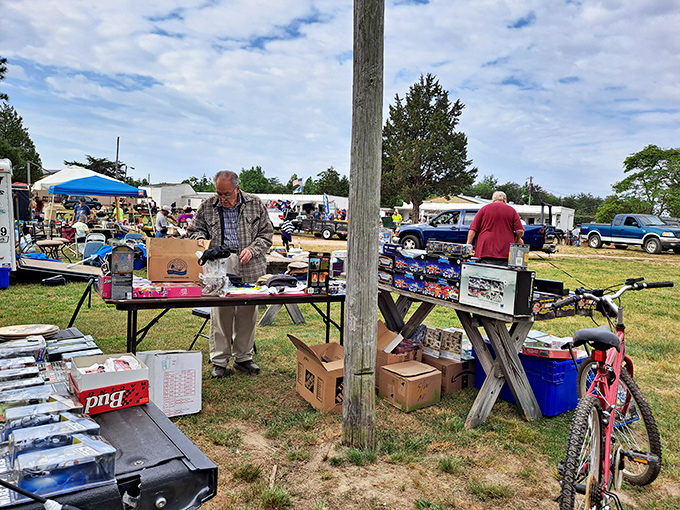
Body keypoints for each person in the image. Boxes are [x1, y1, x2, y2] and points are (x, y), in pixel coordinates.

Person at [188, 170, 273, 377]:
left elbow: (267, 234)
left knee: (247, 312)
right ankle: (219, 360)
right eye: (219, 193)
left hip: (249, 263)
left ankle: (243, 357)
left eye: (227, 194)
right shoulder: (207, 205)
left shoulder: (255, 203)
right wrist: (202, 241)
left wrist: (252, 249)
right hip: (219, 264)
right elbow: (193, 230)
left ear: (237, 188)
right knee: (221, 311)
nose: (222, 199)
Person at [466, 191, 524, 265]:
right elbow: (520, 231)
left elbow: (473, 229)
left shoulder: (483, 209)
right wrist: (518, 239)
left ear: (493, 199)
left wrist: (469, 244)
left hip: (484, 250)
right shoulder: (511, 210)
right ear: (504, 199)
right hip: (505, 251)